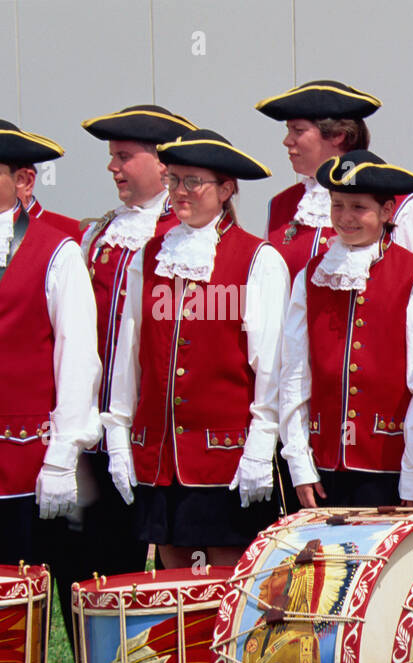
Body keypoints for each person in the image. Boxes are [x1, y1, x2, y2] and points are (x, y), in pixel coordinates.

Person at [103, 128, 289, 570]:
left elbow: (272, 367)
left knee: (223, 581)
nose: (179, 193)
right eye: (174, 181)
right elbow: (130, 353)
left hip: (226, 459)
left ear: (226, 190)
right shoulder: (149, 256)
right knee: (174, 581)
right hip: (160, 456)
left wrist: (261, 447)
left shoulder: (258, 259)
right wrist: (118, 432)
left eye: (193, 182)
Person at [52, 104, 195, 604]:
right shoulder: (101, 232)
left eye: (124, 156)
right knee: (85, 563)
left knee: (148, 567)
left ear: (162, 163)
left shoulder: (181, 239)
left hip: (152, 433)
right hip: (96, 431)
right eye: (112, 157)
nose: (113, 167)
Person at [279, 150, 413, 510]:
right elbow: (294, 373)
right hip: (323, 465)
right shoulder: (311, 275)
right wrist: (300, 463)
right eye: (338, 206)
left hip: (388, 466)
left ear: (386, 211)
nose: (345, 218)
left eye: (358, 207)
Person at [0, 120, 100, 567]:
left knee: (19, 608)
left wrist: (63, 457)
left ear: (23, 181)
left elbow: (77, 358)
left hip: (23, 461)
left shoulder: (56, 251)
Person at [256, 79, 413, 278]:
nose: (287, 141)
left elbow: (411, 281)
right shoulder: (280, 206)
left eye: (298, 130)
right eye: (288, 130)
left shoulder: (400, 205)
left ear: (338, 135)